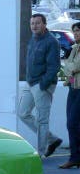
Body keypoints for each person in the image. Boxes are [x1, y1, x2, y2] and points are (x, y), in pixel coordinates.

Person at [18, 13, 62, 157]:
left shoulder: (52, 42)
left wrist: (43, 85)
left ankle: (41, 152)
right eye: (32, 23)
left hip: (42, 84)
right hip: (30, 83)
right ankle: (52, 139)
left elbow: (54, 67)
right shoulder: (33, 39)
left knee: (42, 120)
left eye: (37, 23)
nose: (34, 26)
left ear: (44, 24)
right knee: (23, 113)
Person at [60, 21, 80, 169]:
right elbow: (68, 69)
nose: (76, 34)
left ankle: (75, 157)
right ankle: (75, 157)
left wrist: (69, 67)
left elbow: (73, 67)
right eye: (74, 31)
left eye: (78, 31)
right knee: (72, 124)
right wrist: (69, 68)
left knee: (72, 123)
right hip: (72, 88)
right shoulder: (74, 48)